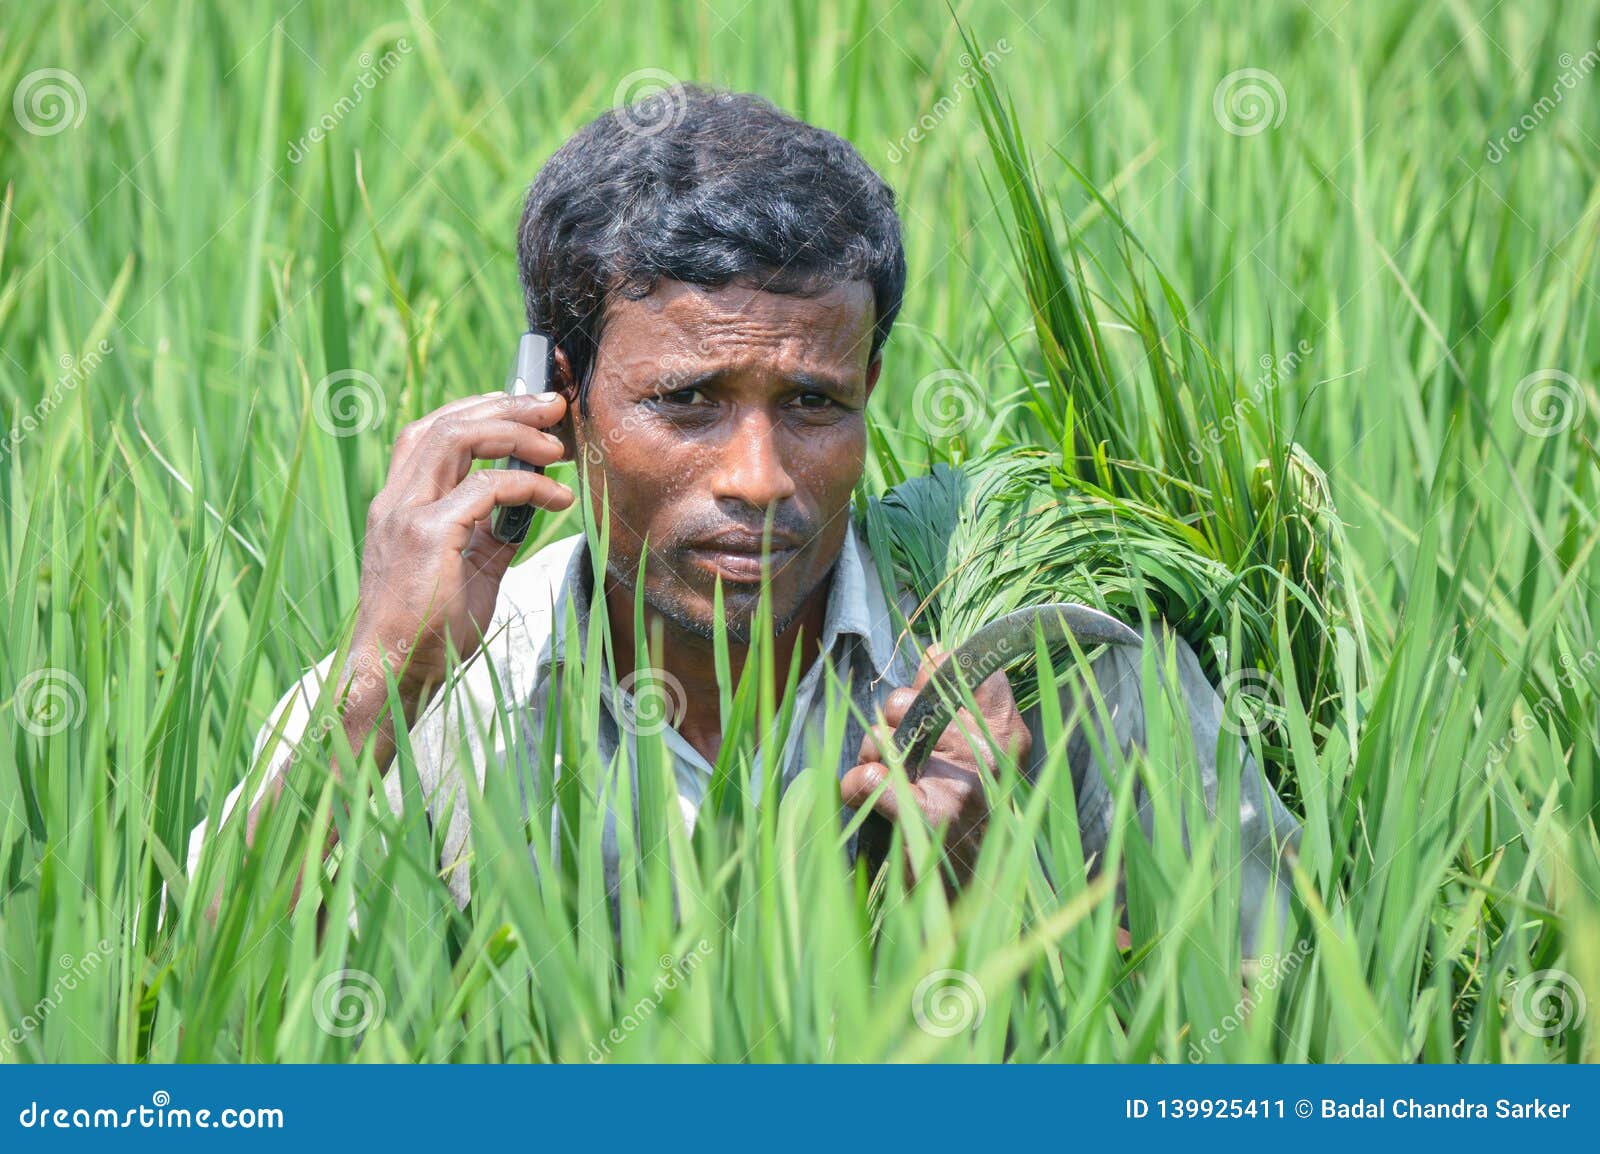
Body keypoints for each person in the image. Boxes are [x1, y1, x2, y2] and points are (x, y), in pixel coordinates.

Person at [186, 84, 1298, 955]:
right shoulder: (443, 683)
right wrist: (381, 674)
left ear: (869, 383)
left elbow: (1282, 1025)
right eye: (688, 402)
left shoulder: (1052, 670)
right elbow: (191, 1013)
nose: (760, 477)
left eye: (813, 403)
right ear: (556, 402)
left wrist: (997, 912)